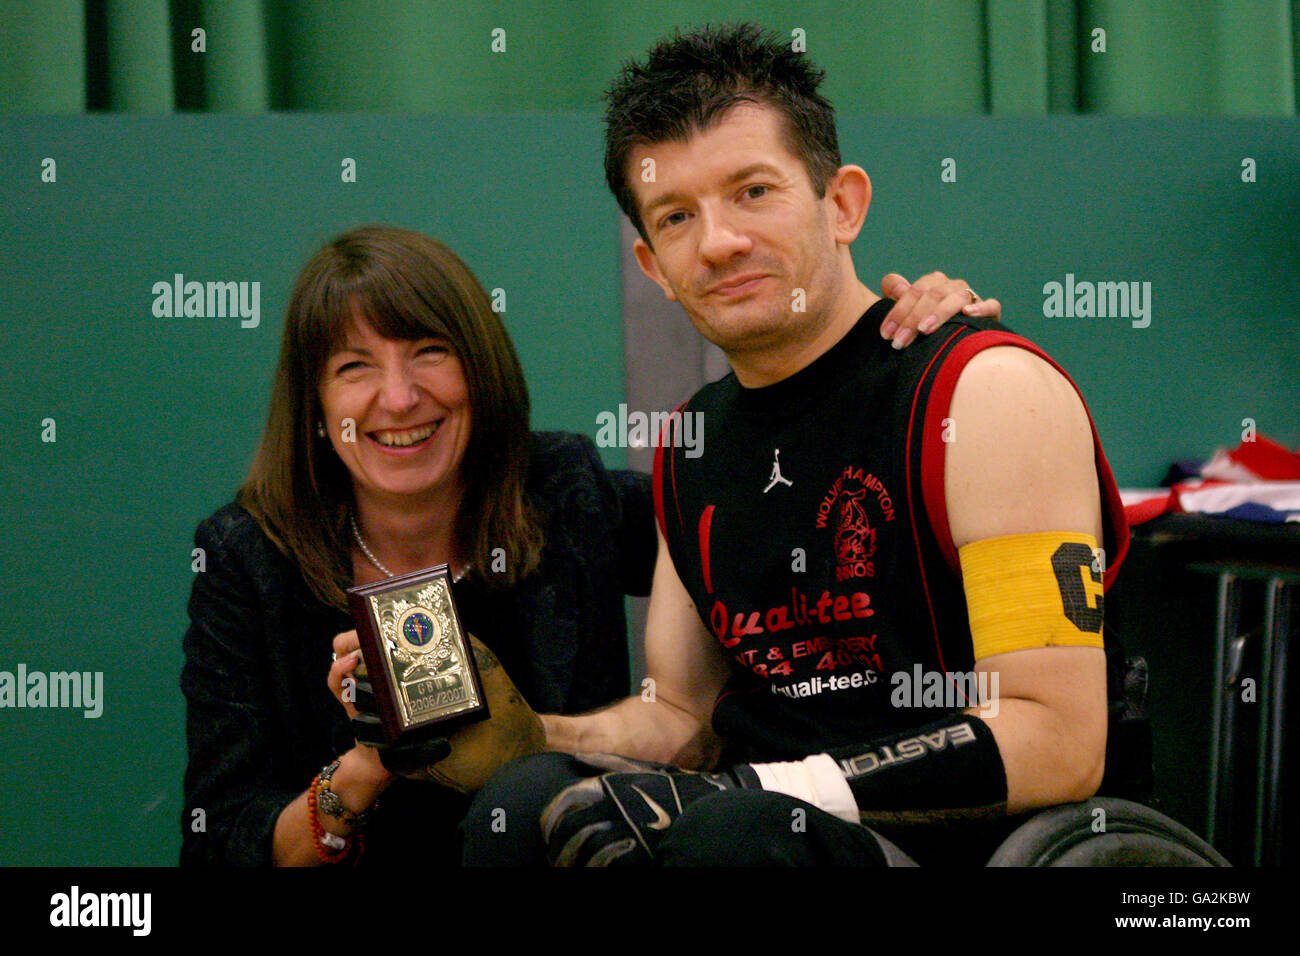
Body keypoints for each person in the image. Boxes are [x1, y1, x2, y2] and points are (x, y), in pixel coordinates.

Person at [460, 23, 1132, 867]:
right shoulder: (691, 444)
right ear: (653, 265)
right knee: (525, 804)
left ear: (842, 204)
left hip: (955, 841)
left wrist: (764, 792)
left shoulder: (987, 394)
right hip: (750, 826)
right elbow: (678, 720)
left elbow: (1059, 736)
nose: (719, 242)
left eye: (753, 192)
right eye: (678, 216)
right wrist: (525, 736)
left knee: (736, 839)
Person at [180, 223, 990, 866]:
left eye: (429, 351)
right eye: (356, 367)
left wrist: (895, 343)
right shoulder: (248, 559)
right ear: (316, 407)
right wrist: (367, 768)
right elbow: (221, 840)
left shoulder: (560, 491)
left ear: (481, 370)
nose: (399, 397)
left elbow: (763, 535)